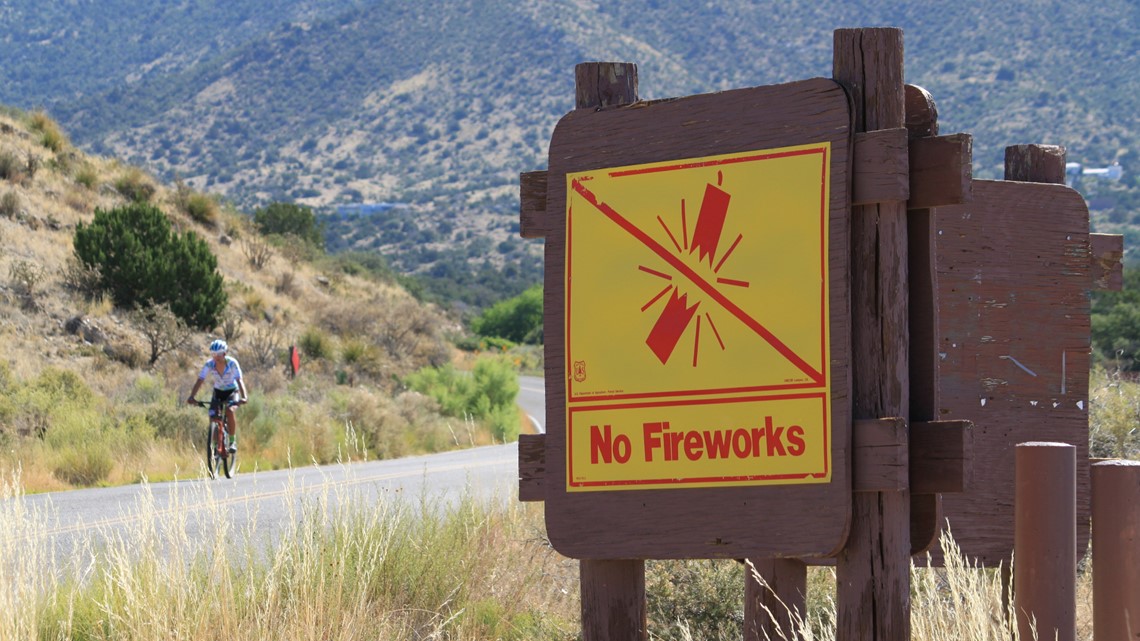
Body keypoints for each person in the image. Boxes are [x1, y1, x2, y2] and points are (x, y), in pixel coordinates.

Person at [187, 339, 247, 452]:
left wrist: (244, 397)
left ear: (224, 353)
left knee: (229, 411)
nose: (216, 357)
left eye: (218, 354)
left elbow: (239, 380)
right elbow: (200, 380)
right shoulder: (209, 364)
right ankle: (215, 445)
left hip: (232, 391)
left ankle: (232, 441)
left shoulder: (232, 363)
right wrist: (192, 396)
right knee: (213, 415)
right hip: (218, 392)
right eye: (213, 354)